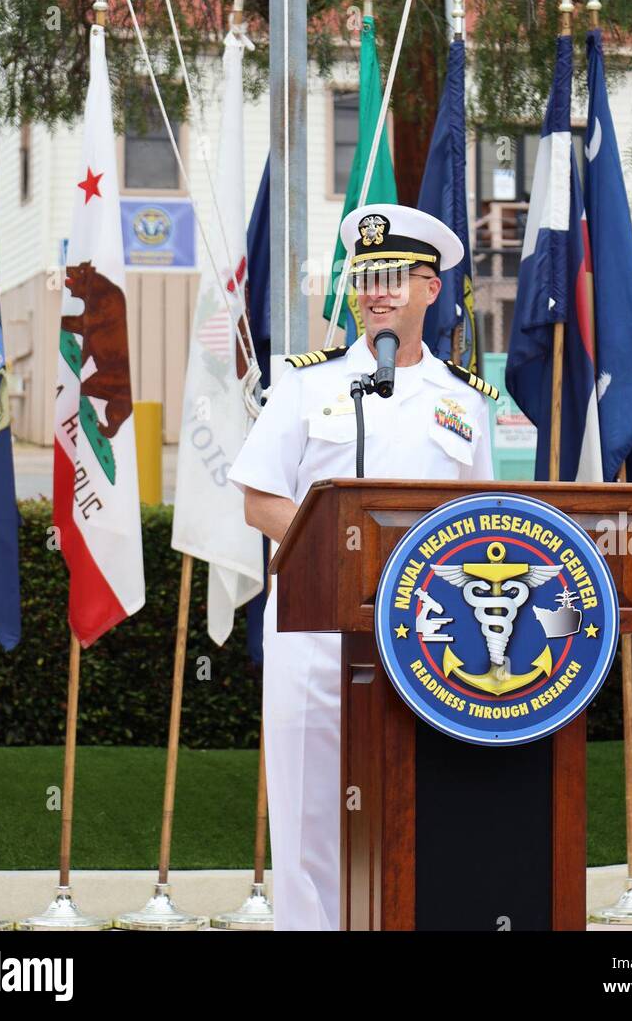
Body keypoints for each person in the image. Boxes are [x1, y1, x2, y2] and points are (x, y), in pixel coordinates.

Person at [228, 204, 497, 931]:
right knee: (311, 810)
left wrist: (409, 588)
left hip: (426, 643)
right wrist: (350, 569)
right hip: (315, 638)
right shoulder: (306, 384)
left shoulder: (465, 402)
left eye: (393, 279)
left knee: (411, 806)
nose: (376, 293)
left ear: (430, 289)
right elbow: (259, 500)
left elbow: (484, 527)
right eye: (363, 278)